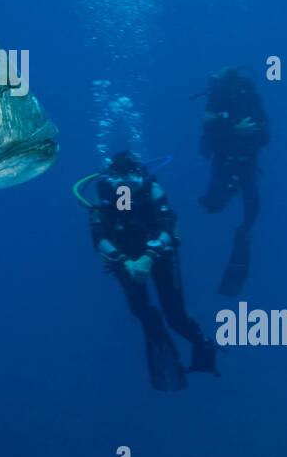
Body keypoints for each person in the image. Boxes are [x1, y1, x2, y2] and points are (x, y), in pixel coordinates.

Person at [85, 151, 219, 390]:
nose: (125, 184)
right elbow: (99, 237)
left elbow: (167, 227)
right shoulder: (103, 194)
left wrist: (148, 257)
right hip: (124, 259)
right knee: (143, 312)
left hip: (160, 256)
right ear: (111, 176)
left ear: (139, 173)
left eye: (130, 176)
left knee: (176, 317)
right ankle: (160, 342)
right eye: (119, 177)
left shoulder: (151, 190)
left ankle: (204, 345)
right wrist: (124, 261)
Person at [196, 66, 269, 295]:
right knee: (215, 205)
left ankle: (244, 231)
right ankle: (229, 198)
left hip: (245, 159)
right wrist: (233, 127)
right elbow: (207, 126)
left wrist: (244, 133)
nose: (212, 87)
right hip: (225, 158)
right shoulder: (216, 99)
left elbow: (265, 134)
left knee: (249, 197)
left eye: (215, 82)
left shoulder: (247, 97)